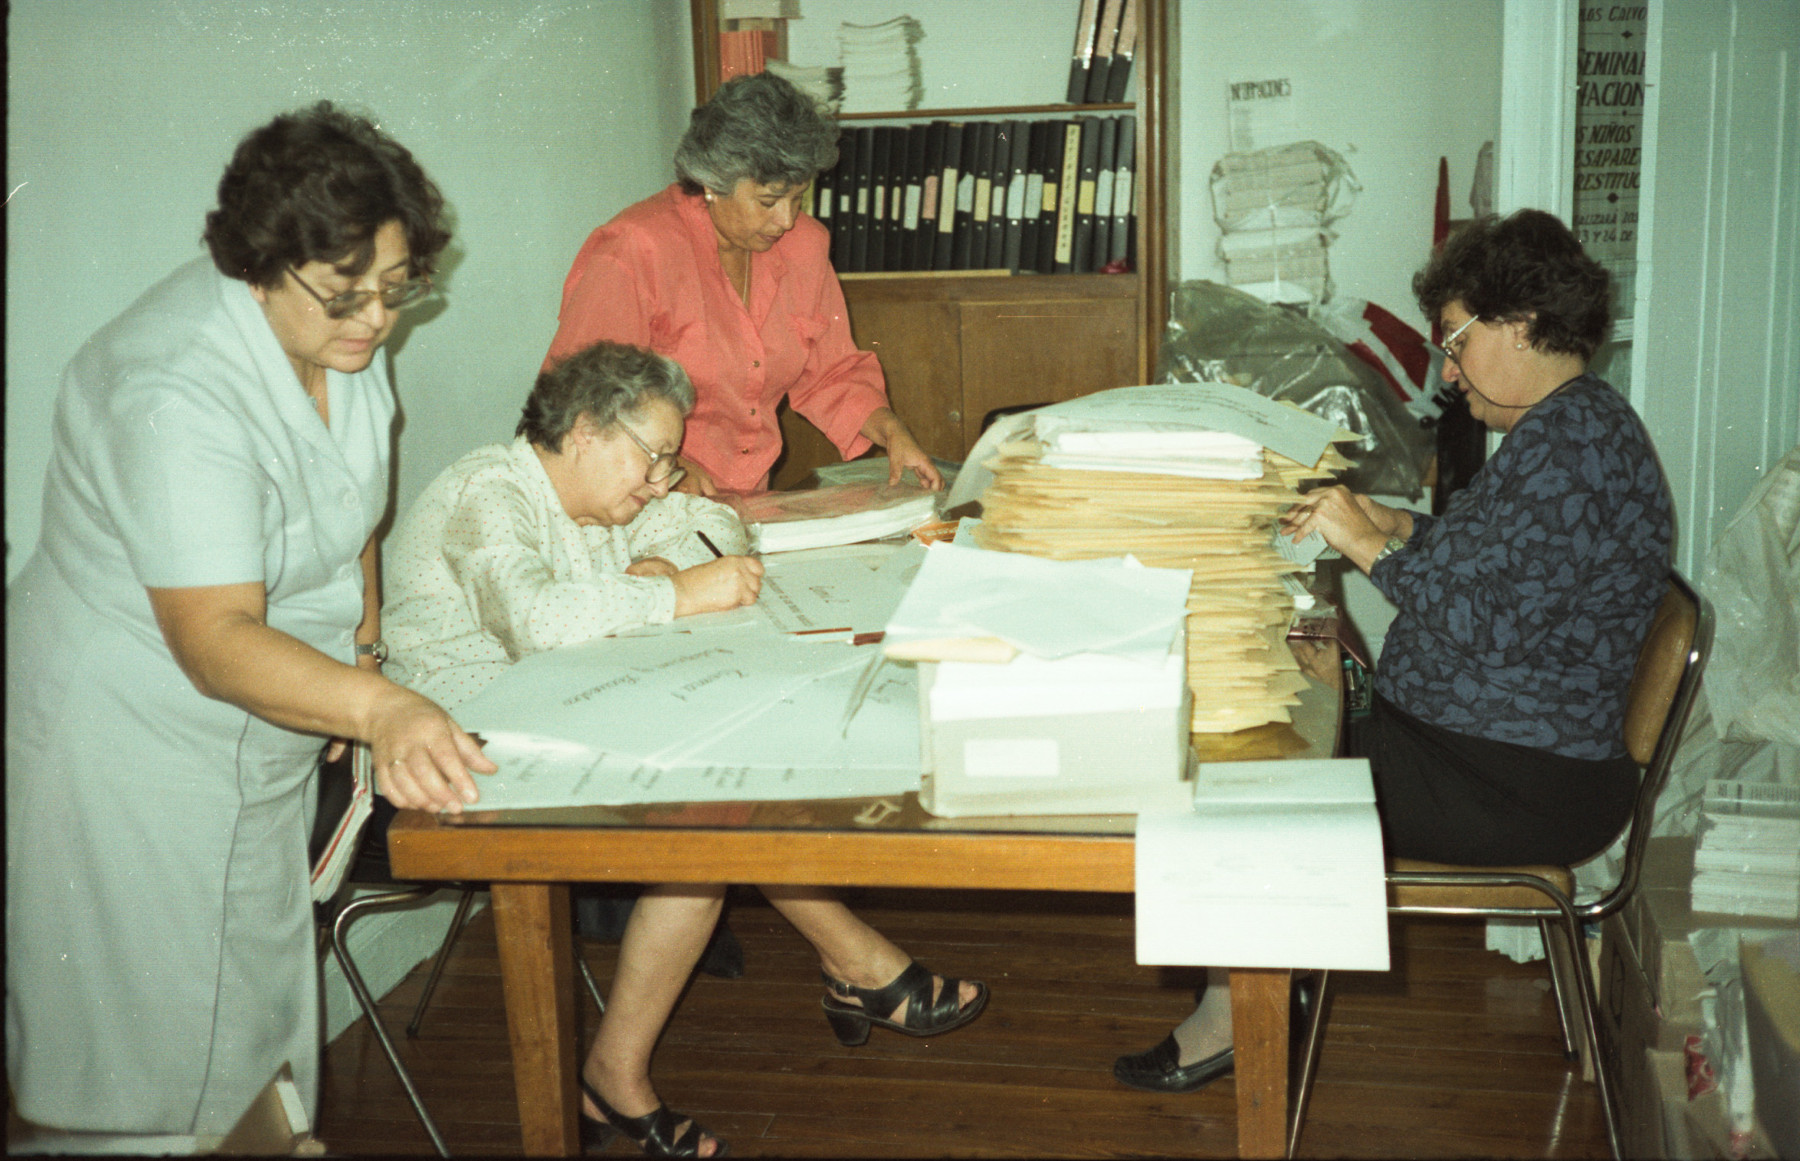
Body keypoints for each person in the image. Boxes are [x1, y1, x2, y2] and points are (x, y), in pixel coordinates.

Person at [5, 103, 493, 1139]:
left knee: (250, 1028)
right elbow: (215, 639)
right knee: (147, 1050)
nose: (376, 317)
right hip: (124, 745)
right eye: (346, 294)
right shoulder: (175, 384)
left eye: (397, 286)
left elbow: (353, 500)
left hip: (254, 723)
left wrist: (358, 650)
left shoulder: (344, 331)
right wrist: (382, 708)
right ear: (260, 264)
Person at [1113, 208, 1674, 1094]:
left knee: (1242, 770)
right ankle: (1263, 973)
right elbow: (1494, 558)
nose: (1447, 369)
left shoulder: (1575, 446)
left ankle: (1239, 1011)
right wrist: (1390, 521)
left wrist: (1370, 547)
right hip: (1491, 747)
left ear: (1520, 324)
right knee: (1291, 689)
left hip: (1519, 779)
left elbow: (1494, 619)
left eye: (1454, 341)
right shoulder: (1568, 426)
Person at [382, 341, 987, 1158]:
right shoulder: (491, 495)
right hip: (455, 748)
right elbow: (533, 620)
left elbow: (715, 518)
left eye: (671, 459)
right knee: (704, 821)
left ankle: (838, 970)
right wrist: (674, 591)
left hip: (556, 709)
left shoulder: (611, 497)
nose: (662, 480)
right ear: (587, 431)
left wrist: (672, 553)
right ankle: (655, 1056)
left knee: (736, 762)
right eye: (653, 457)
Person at [543, 71, 942, 497]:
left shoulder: (804, 245)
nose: (786, 220)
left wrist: (891, 431)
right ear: (715, 182)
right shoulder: (635, 251)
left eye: (798, 197)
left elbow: (832, 372)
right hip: (638, 499)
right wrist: (670, 468)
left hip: (748, 497)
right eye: (769, 201)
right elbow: (577, 407)